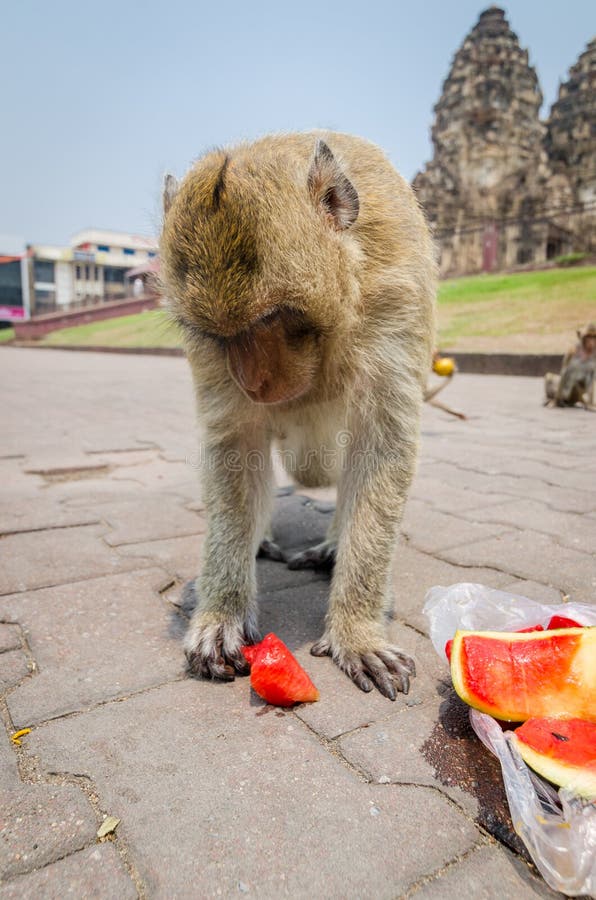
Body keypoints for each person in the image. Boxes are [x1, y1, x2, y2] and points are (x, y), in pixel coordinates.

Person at [544, 323, 596, 409]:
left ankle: (584, 402)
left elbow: (591, 380)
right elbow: (564, 373)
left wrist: (590, 403)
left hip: (578, 389)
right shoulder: (573, 351)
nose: (591, 342)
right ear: (583, 338)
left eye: (594, 338)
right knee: (549, 378)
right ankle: (557, 398)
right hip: (565, 386)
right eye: (589, 338)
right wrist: (557, 399)